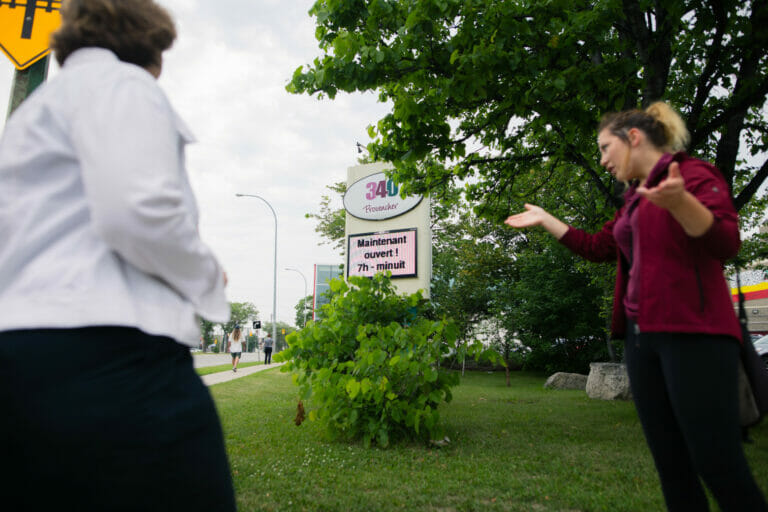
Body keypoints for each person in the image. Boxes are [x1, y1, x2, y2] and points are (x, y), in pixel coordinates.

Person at [0, 1, 236, 510]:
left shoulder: (34, 114)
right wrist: (206, 273)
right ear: (148, 45)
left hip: (19, 362)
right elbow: (138, 208)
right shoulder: (124, 85)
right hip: (117, 364)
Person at [505, 102, 767, 511]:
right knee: (672, 467)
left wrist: (681, 203)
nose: (603, 160)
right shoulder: (633, 200)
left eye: (605, 148)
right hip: (642, 343)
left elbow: (726, 243)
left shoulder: (694, 176)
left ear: (634, 138)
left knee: (717, 462)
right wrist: (546, 220)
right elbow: (599, 247)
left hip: (695, 338)